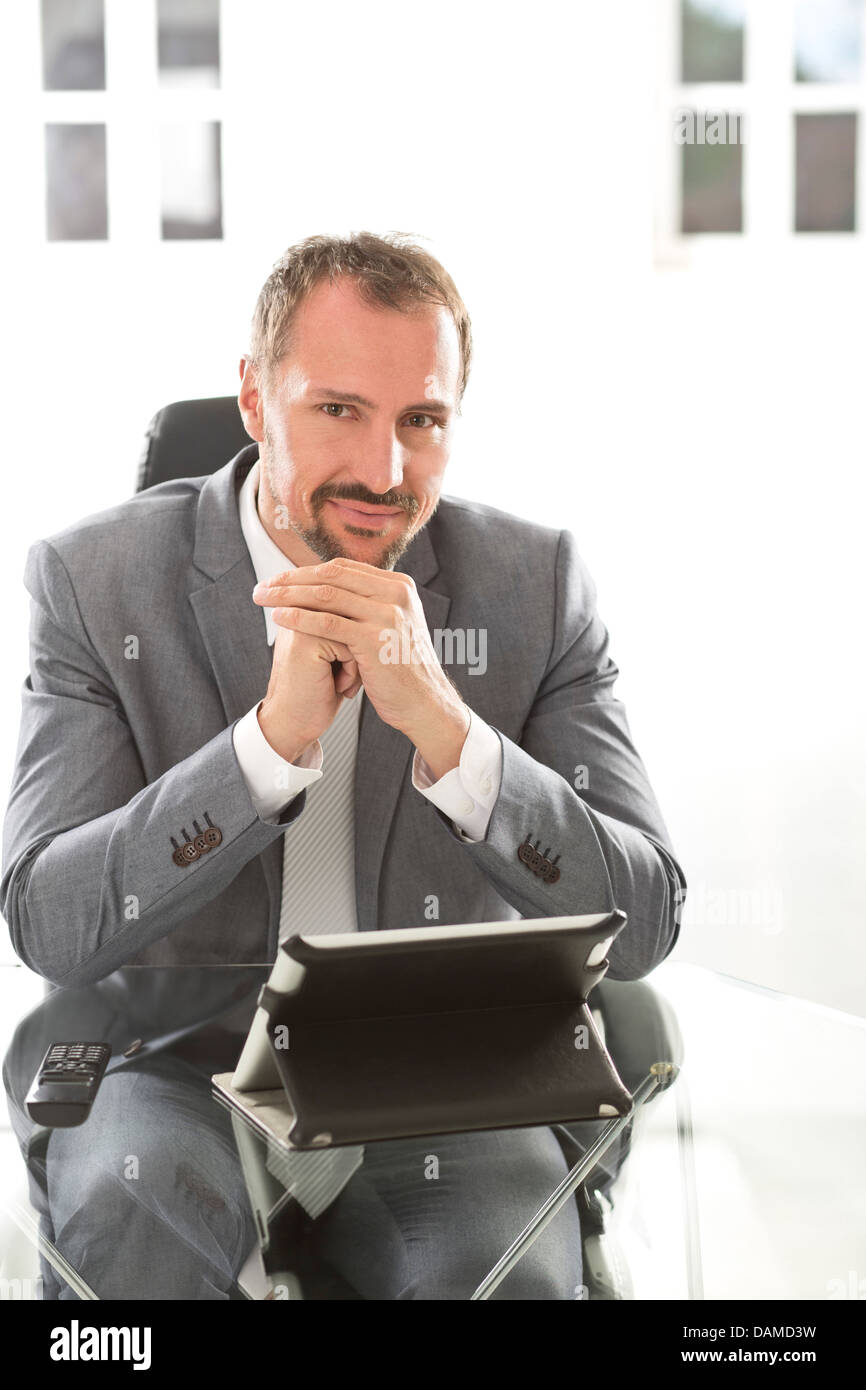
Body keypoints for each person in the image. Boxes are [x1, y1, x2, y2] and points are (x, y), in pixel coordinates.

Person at [1, 231, 686, 1300]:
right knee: (134, 1219)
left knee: (502, 1270)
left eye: (421, 420)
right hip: (172, 1060)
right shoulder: (96, 584)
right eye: (336, 410)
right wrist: (264, 750)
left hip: (441, 1074)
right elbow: (49, 921)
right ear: (252, 400)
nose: (383, 470)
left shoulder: (534, 585)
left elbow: (642, 923)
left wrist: (452, 735)